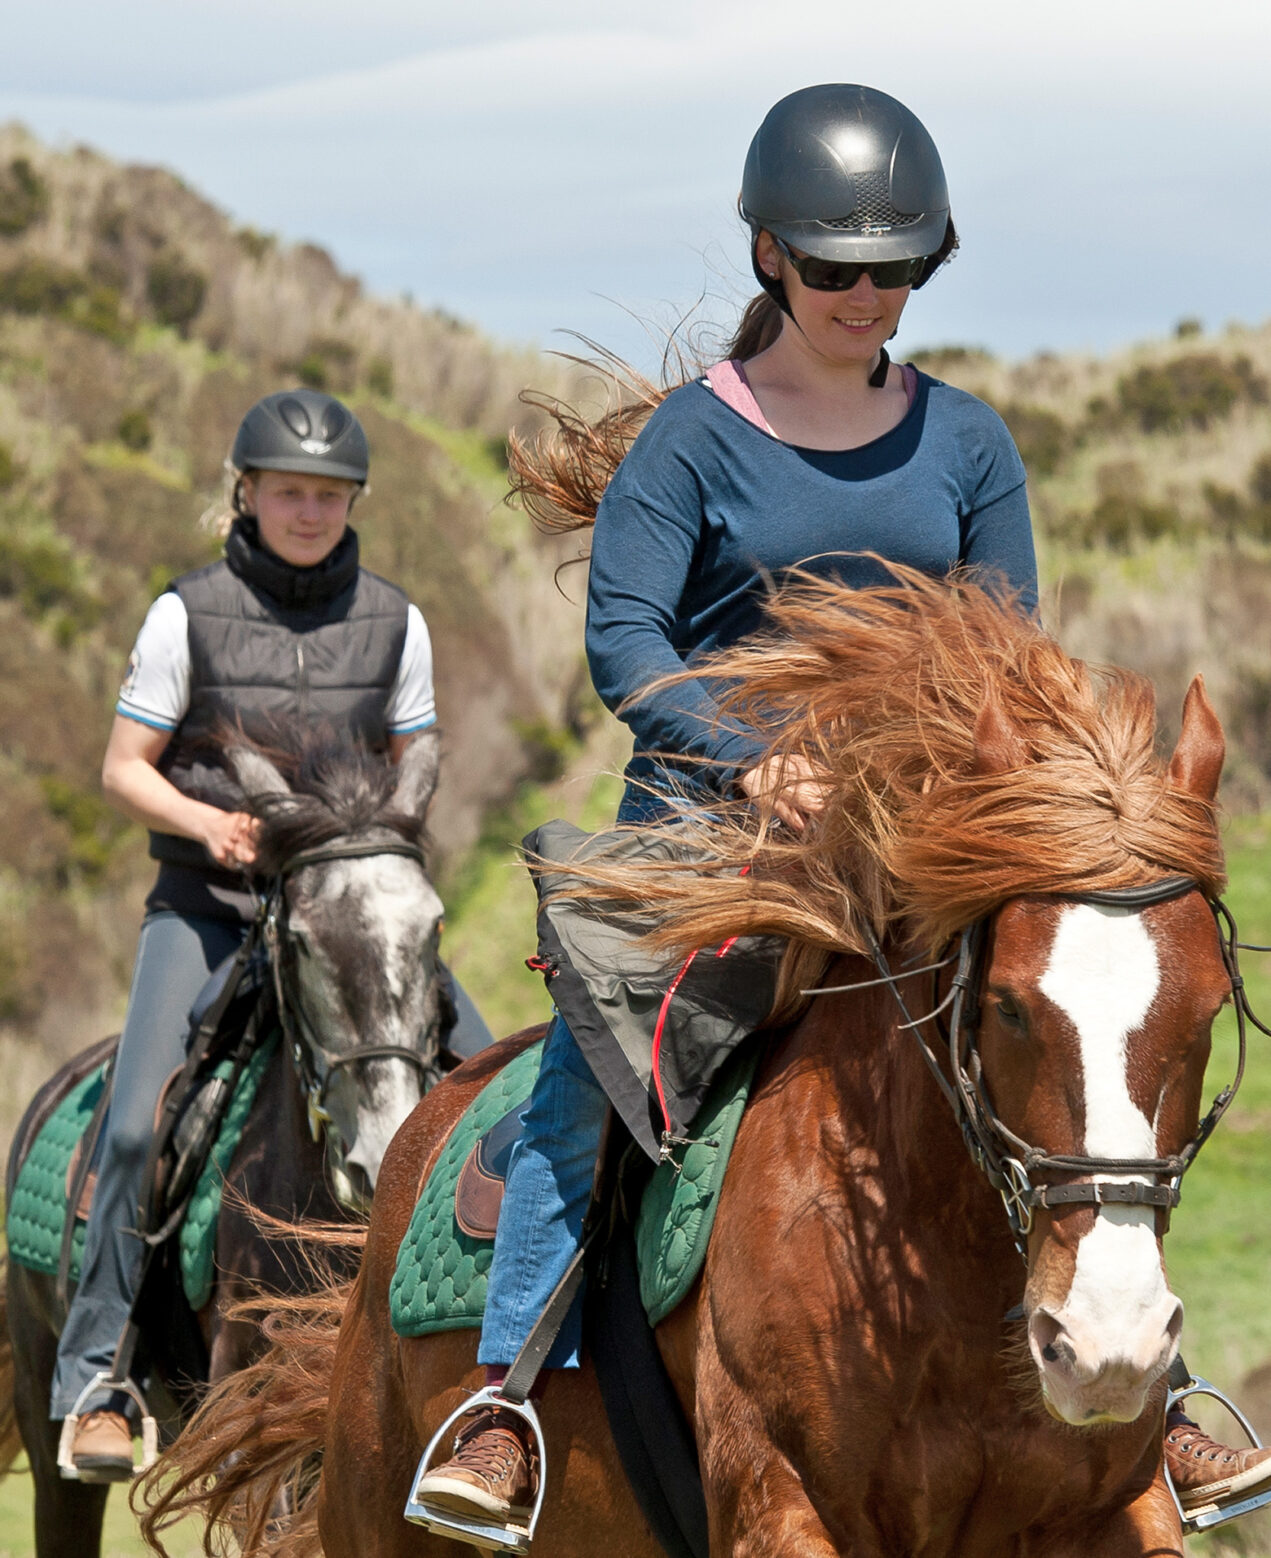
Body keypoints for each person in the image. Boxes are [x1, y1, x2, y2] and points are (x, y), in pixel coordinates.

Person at [414, 84, 1271, 1536]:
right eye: (828, 266)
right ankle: (503, 1398)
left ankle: (1157, 1388)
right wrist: (752, 753)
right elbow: (626, 644)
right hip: (710, 837)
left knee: (1069, 1047)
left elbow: (1002, 649)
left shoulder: (968, 441)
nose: (861, 295)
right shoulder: (691, 443)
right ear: (768, 255)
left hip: (909, 846)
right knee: (591, 1070)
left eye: (893, 266)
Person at [52, 388, 492, 1481]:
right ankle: (97, 1379)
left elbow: (417, 766)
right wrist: (211, 825)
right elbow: (121, 770)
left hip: (349, 919)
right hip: (213, 906)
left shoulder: (396, 621)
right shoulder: (184, 613)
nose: (308, 512)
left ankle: (498, 1386)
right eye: (288, 492)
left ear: (354, 503)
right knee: (133, 1128)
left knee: (495, 1100)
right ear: (245, 493)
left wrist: (369, 852)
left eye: (328, 496)